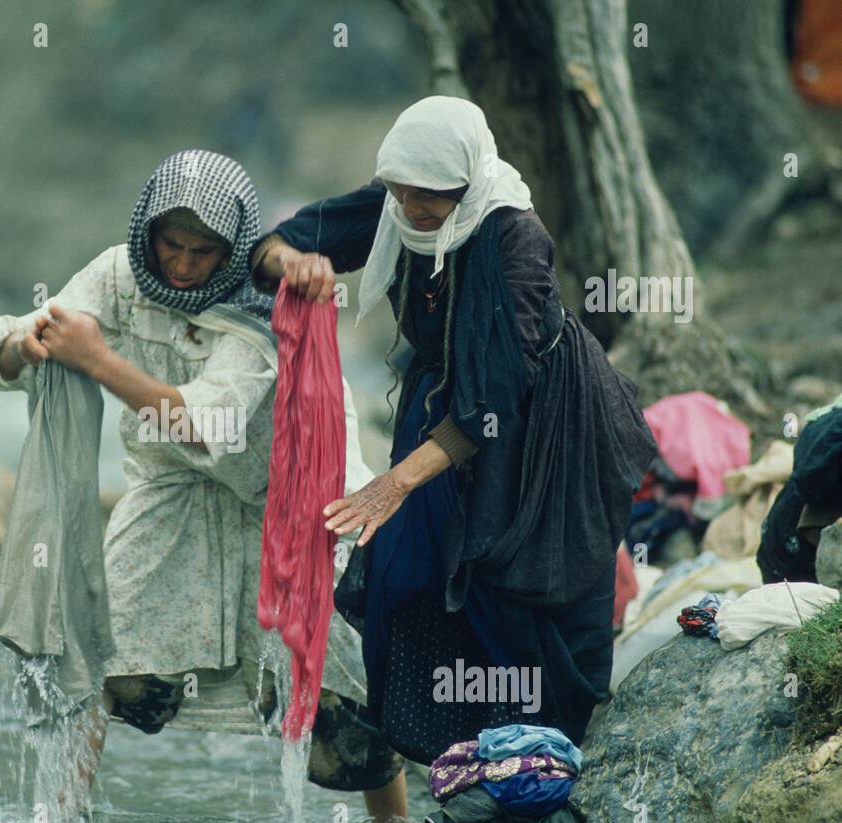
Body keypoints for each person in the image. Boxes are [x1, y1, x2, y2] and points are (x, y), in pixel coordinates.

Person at [0, 149, 409, 823]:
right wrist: (23, 346)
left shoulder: (265, 307)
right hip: (172, 486)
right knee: (99, 643)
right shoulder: (123, 274)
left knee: (345, 678)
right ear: (146, 233)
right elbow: (34, 331)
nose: (181, 263)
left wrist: (97, 359)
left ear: (232, 248)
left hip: (291, 496)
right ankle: (61, 820)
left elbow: (205, 424)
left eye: (202, 250)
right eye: (170, 244)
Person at [250, 97, 657, 765]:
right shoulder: (399, 201)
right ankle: (456, 754)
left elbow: (496, 396)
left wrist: (395, 483)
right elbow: (287, 240)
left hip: (545, 423)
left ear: (465, 182)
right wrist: (292, 263)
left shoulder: (512, 235)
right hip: (445, 408)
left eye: (430, 196)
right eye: (403, 191)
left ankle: (549, 765)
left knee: (531, 583)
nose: (412, 209)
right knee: (414, 571)